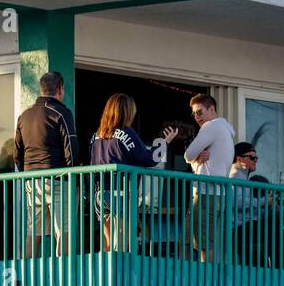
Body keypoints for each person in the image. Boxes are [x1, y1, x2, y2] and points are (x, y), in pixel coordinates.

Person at [89, 93, 175, 250]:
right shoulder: (126, 133)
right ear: (127, 112)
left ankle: (106, 273)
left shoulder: (96, 135)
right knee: (122, 242)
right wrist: (165, 142)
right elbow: (149, 159)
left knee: (107, 242)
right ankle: (120, 274)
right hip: (121, 193)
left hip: (100, 193)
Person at [14, 72, 78, 257]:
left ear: (41, 89)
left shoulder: (24, 116)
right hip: (58, 179)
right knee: (63, 231)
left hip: (32, 182)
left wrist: (29, 172)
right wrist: (72, 176)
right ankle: (63, 277)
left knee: (34, 232)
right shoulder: (62, 113)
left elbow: (17, 154)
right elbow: (71, 152)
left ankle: (27, 277)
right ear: (60, 89)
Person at [183, 93, 235, 263]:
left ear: (212, 109)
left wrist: (194, 156)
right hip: (219, 195)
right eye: (194, 114)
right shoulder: (225, 130)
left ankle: (206, 284)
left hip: (206, 193)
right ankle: (203, 280)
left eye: (200, 112)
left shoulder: (210, 127)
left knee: (201, 242)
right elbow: (197, 162)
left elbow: (187, 155)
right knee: (200, 239)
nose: (197, 117)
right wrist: (197, 158)